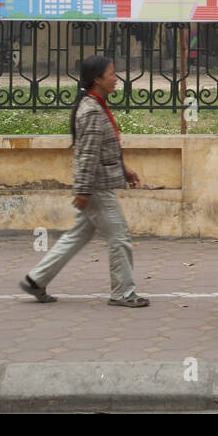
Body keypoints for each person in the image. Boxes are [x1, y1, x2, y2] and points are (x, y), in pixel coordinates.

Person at [19, 55, 150, 307]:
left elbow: (101, 148)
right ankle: (123, 292)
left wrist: (124, 169)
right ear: (97, 79)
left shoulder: (96, 105)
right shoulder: (91, 110)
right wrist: (83, 190)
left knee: (77, 236)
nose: (116, 78)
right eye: (111, 73)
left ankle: (36, 280)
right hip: (97, 188)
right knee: (120, 237)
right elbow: (87, 154)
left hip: (95, 185)